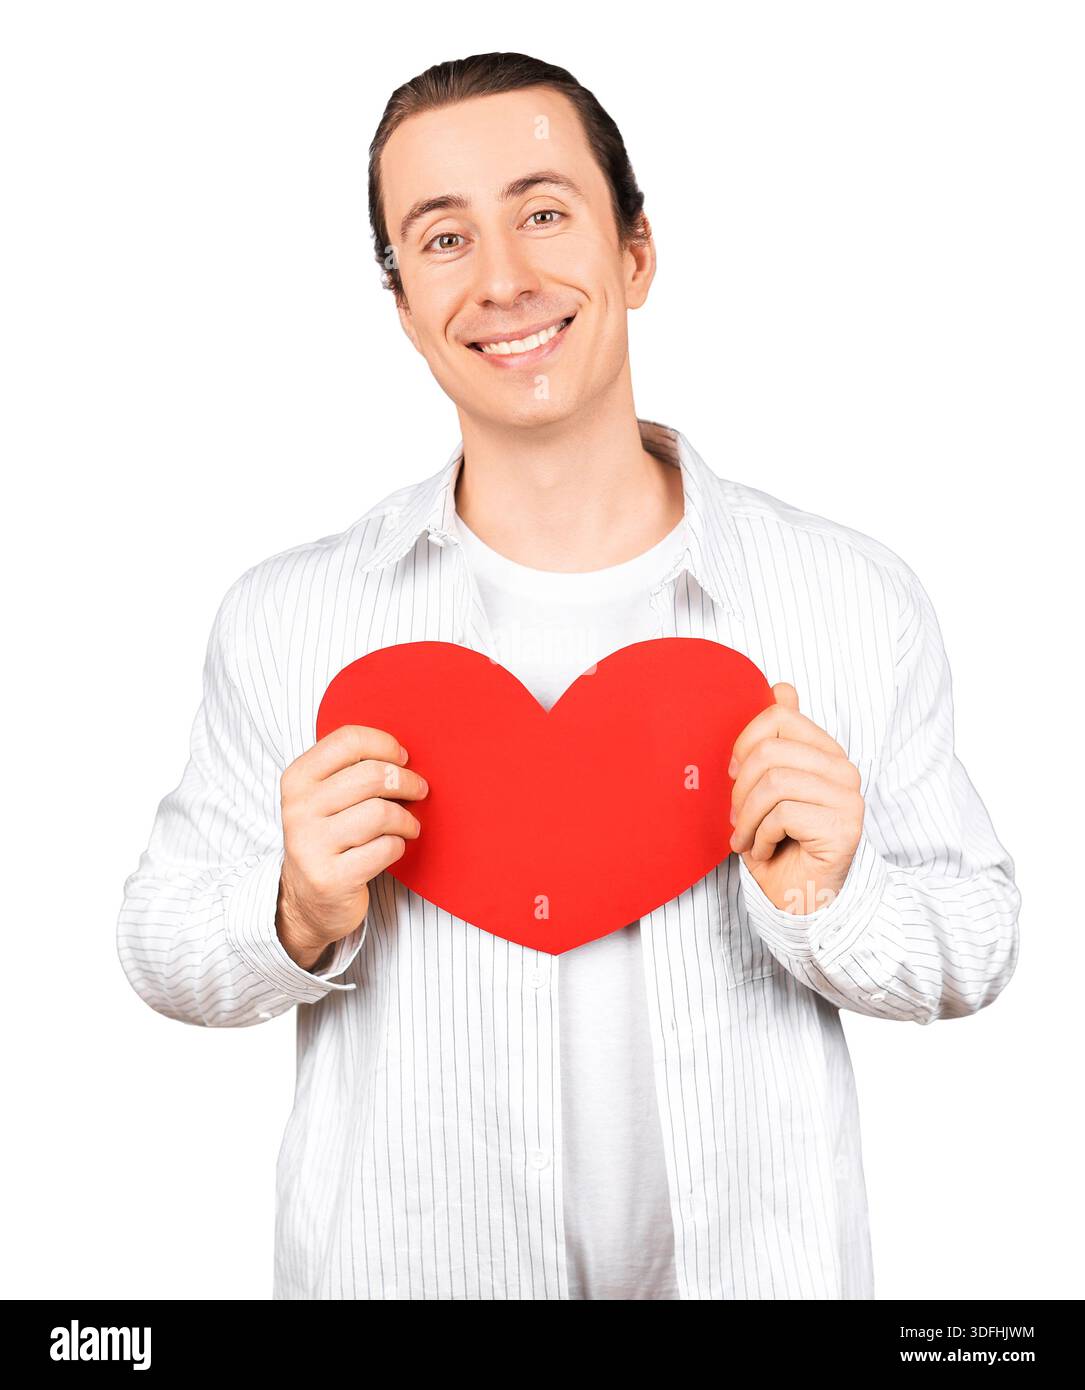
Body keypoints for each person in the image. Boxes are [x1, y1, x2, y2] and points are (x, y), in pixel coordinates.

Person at [116, 51, 1021, 1300]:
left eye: (543, 212)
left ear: (636, 251)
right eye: (440, 238)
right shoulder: (288, 618)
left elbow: (974, 938)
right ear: (400, 304)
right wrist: (296, 906)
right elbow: (158, 941)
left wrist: (834, 893)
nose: (501, 279)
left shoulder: (847, 596)